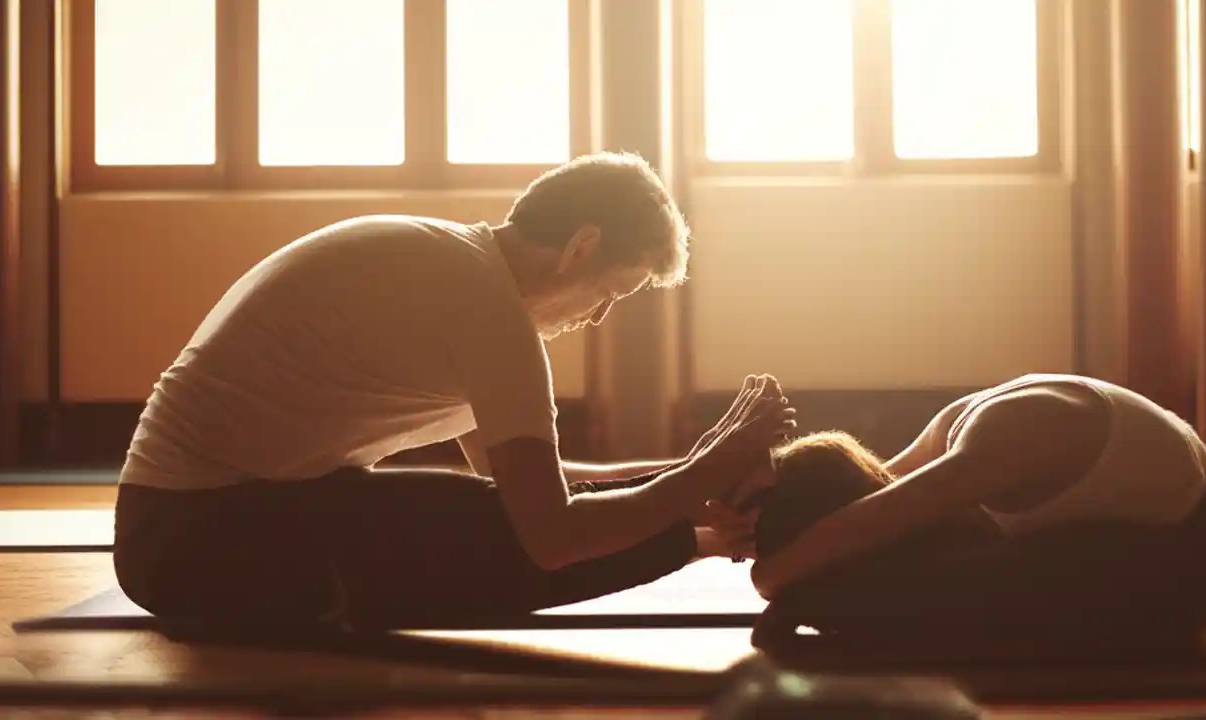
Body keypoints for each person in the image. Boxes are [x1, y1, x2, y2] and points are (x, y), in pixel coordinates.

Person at [113, 152, 794, 630]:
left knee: (475, 512)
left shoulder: (458, 267)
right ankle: (708, 534)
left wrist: (684, 475)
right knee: (489, 536)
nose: (597, 316)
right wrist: (699, 481)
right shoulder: (489, 317)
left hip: (201, 524)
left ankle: (706, 528)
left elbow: (526, 487)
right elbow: (550, 538)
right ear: (581, 246)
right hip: (198, 545)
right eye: (611, 292)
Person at [747, 373, 1206, 650]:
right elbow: (864, 516)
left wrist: (784, 581)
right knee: (935, 575)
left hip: (1193, 552)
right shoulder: (938, 439)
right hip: (1144, 517)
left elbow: (852, 532)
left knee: (935, 596)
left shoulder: (988, 447)